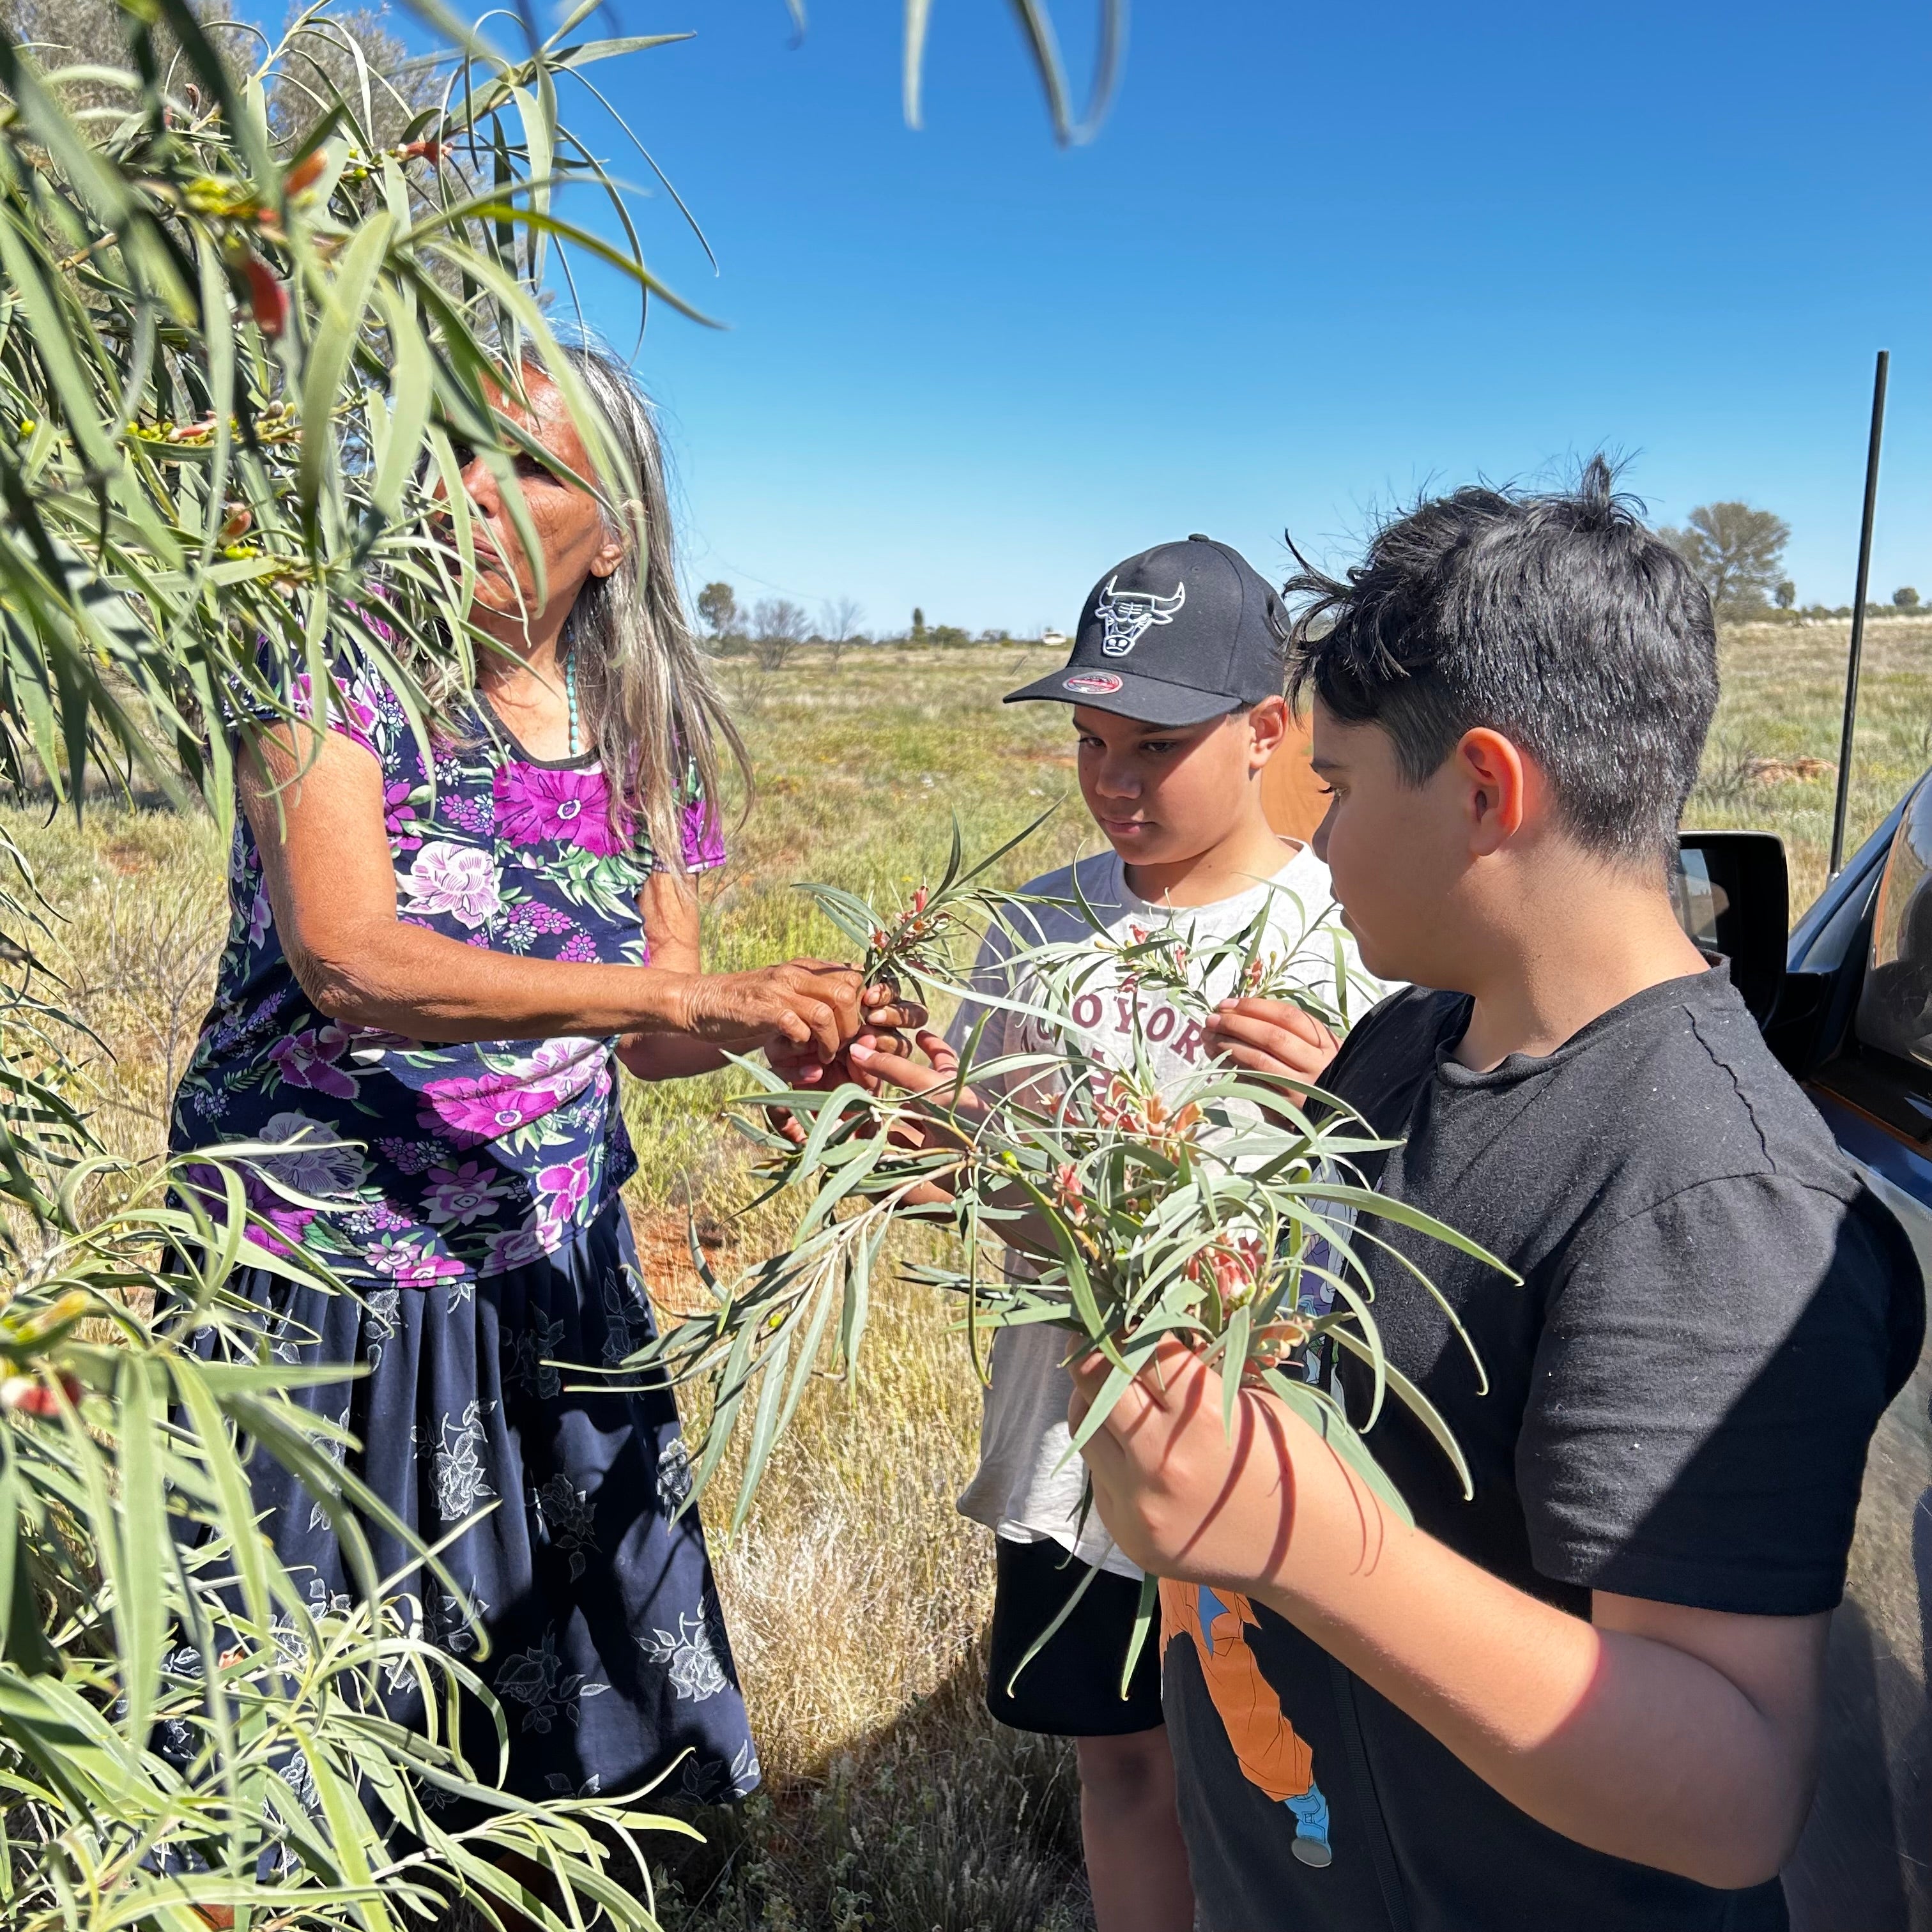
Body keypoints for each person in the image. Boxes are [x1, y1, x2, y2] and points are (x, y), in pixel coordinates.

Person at [1065, 461, 1926, 1929]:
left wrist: (1297, 1539)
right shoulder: (1414, 1038)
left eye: (1334, 787)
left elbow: (1734, 1793)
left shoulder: (1706, 1194)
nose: (1317, 839)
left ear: (1481, 789)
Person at [167, 342, 901, 1809]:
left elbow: (648, 1035)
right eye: (448, 448)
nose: (466, 495)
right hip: (322, 1272)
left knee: (575, 1733)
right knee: (306, 1723)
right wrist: (692, 988)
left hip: (552, 1262)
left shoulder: (647, 735)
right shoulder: (325, 663)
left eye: (529, 468)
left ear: (614, 531)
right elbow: (351, 961)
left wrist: (779, 1034)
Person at [834, 537, 1380, 1931]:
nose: (1112, 782)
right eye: (1089, 742)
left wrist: (1352, 1102)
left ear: (1269, 729)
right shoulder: (1037, 926)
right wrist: (917, 1132)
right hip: (1071, 1453)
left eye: (1155, 744)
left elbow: (1410, 1216)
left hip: (1266, 1454)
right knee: (1124, 1768)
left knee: (1292, 1784)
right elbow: (994, 1192)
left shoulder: (1347, 936)